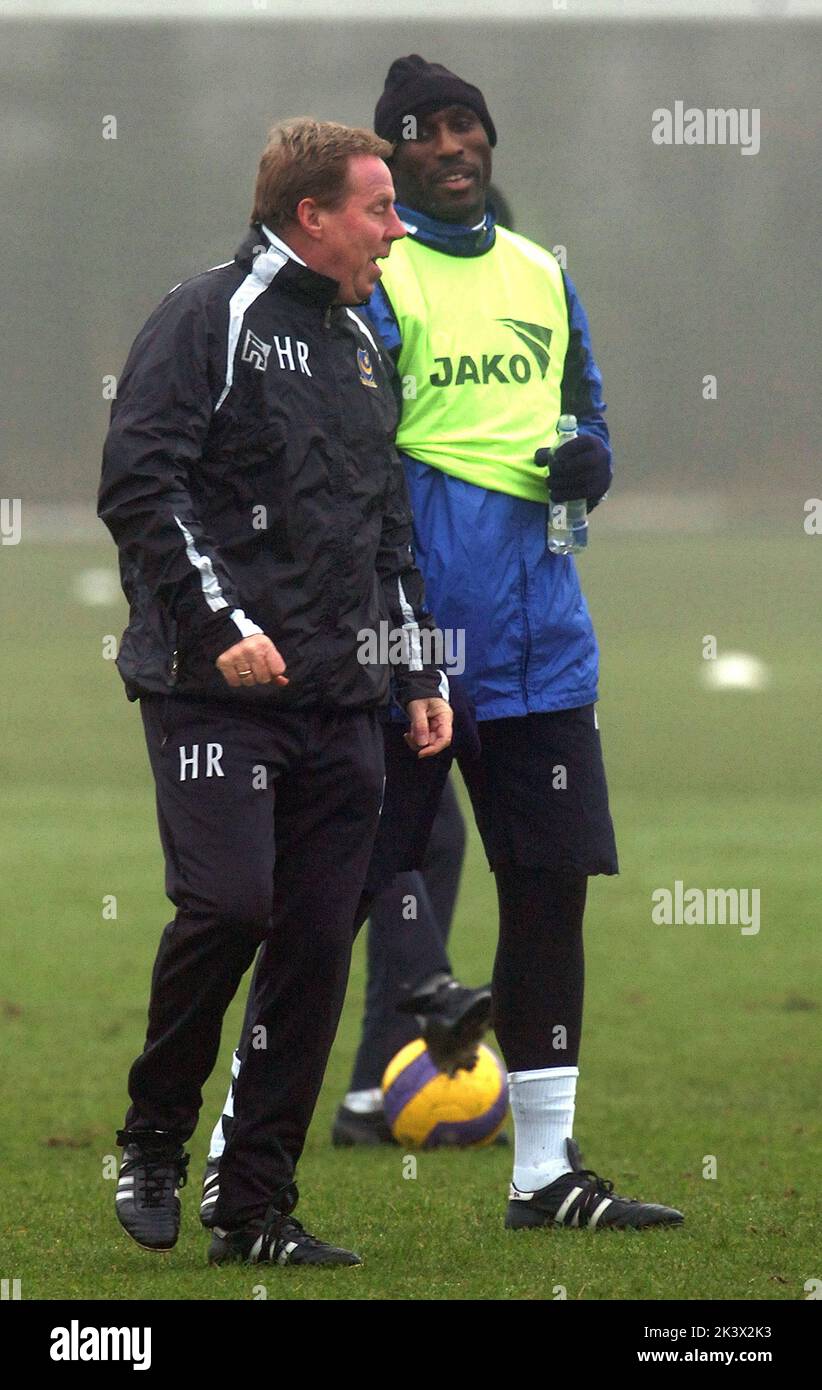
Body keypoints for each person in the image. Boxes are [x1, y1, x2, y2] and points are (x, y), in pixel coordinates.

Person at [98, 117, 454, 1269]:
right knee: (232, 907)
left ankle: (254, 1207)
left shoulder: (363, 340)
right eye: (379, 208)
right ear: (311, 214)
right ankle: (152, 1136)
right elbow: (140, 486)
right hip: (214, 694)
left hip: (343, 702)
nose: (397, 232)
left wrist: (418, 670)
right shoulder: (206, 317)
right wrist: (222, 626)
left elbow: (384, 529)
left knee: (311, 947)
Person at [362, 55, 684, 1231]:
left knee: (548, 894)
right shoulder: (378, 278)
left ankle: (543, 1172)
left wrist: (591, 462)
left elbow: (584, 415)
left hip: (545, 644)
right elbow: (349, 455)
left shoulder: (545, 272)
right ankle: (250, 1165)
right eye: (431, 132)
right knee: (328, 894)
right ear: (393, 156)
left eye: (469, 127)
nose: (457, 146)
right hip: (416, 646)